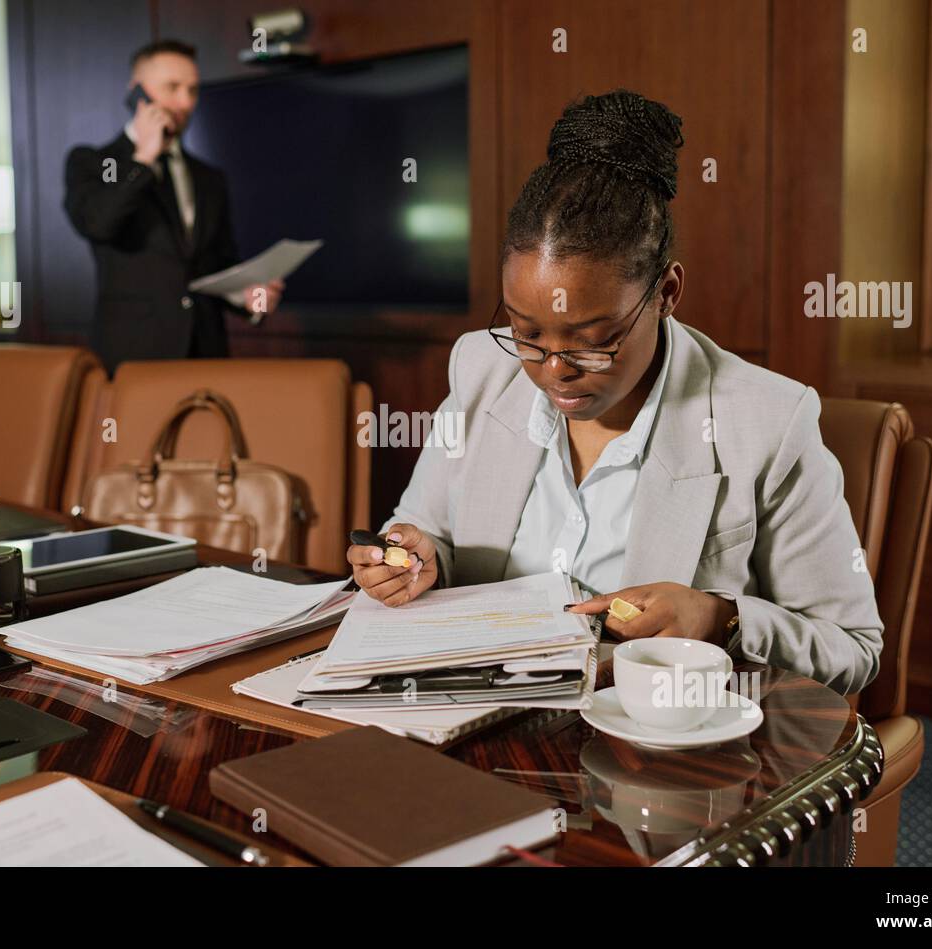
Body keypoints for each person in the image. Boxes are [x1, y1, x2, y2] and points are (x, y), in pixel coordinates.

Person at [346, 89, 883, 696]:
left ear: (667, 293)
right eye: (526, 335)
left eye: (592, 342)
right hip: (476, 709)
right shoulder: (480, 369)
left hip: (647, 743)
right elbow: (423, 528)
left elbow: (852, 648)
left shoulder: (765, 421)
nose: (554, 371)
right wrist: (415, 561)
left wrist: (720, 619)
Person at [63, 39, 284, 372]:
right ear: (138, 92)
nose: (185, 102)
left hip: (206, 353)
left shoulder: (209, 177)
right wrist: (143, 159)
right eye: (173, 88)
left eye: (193, 91)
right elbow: (98, 223)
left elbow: (220, 263)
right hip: (135, 358)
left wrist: (250, 297)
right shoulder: (95, 162)